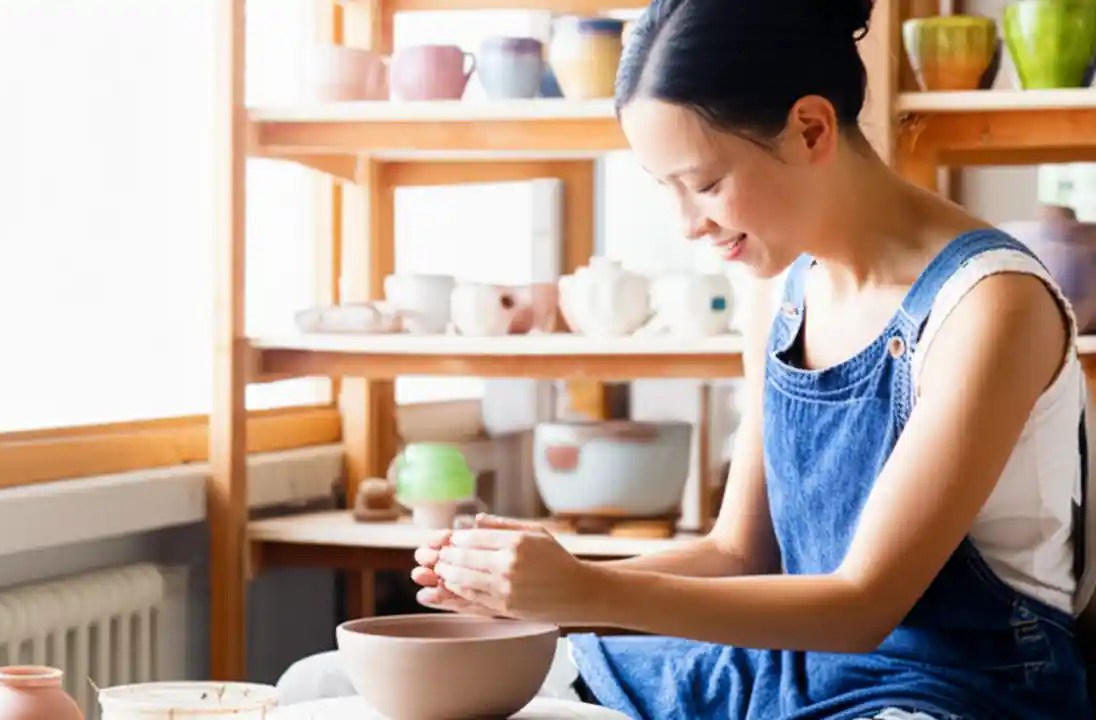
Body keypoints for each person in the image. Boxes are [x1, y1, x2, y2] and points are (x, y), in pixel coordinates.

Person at [409, 0, 1095, 718]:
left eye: (704, 184)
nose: (687, 224)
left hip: (962, 688)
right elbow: (739, 555)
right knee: (355, 683)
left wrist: (586, 594)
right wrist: (540, 590)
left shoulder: (990, 306)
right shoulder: (783, 290)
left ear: (810, 128)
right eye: (665, 188)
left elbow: (864, 605)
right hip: (795, 665)